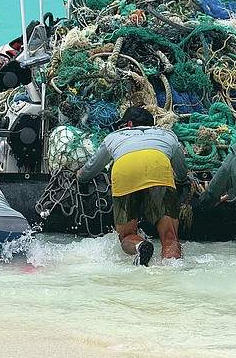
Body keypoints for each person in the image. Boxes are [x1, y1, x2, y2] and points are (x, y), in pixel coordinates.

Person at [78, 106, 188, 266]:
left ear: (129, 124)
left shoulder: (113, 137)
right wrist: (182, 182)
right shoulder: (168, 135)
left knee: (126, 235)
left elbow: (92, 168)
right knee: (170, 238)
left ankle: (140, 245)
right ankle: (172, 271)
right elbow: (182, 172)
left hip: (125, 171)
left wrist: (80, 176)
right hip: (158, 169)